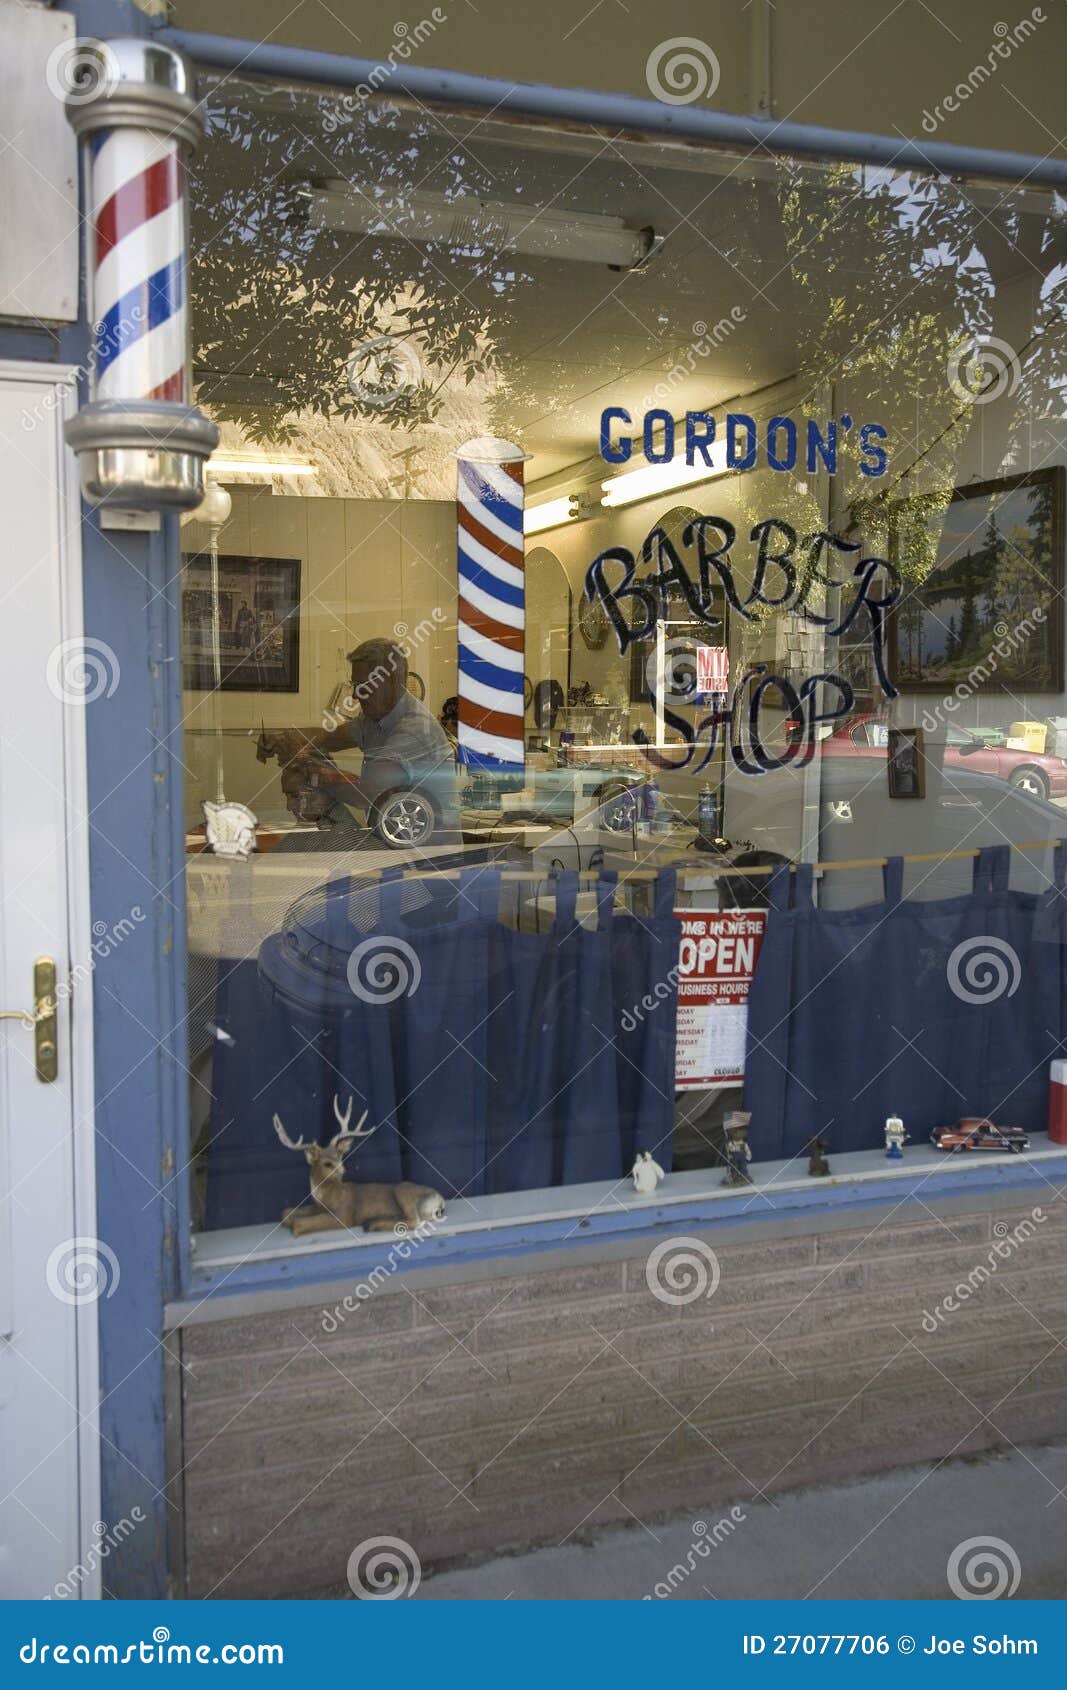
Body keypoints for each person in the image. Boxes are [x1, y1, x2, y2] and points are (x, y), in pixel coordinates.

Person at [276, 638, 461, 838]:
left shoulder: (415, 729)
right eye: (354, 685)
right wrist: (284, 738)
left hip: (428, 856)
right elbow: (330, 738)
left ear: (390, 681)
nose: (355, 695)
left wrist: (308, 766)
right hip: (397, 845)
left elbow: (366, 793)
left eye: (362, 685)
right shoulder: (374, 717)